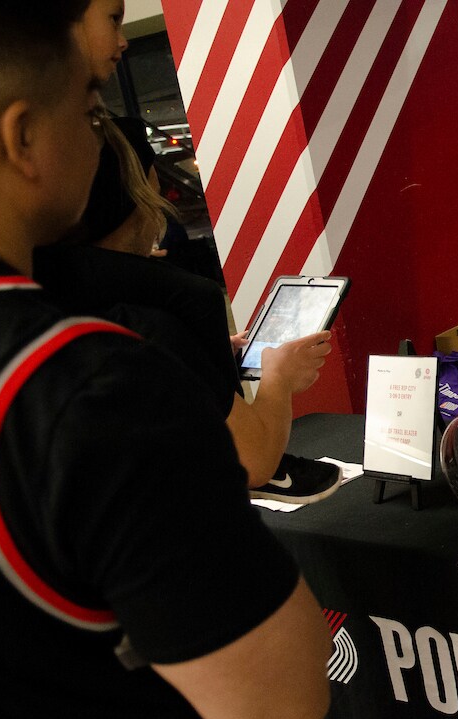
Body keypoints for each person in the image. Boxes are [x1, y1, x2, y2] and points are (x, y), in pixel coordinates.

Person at [0, 4, 332, 719]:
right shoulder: (95, 388)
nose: (100, 138)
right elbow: (284, 701)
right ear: (23, 138)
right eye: (91, 110)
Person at [34, 115, 341, 502]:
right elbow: (255, 461)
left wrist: (201, 357)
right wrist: (278, 377)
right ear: (133, 192)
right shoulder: (150, 327)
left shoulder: (52, 306)